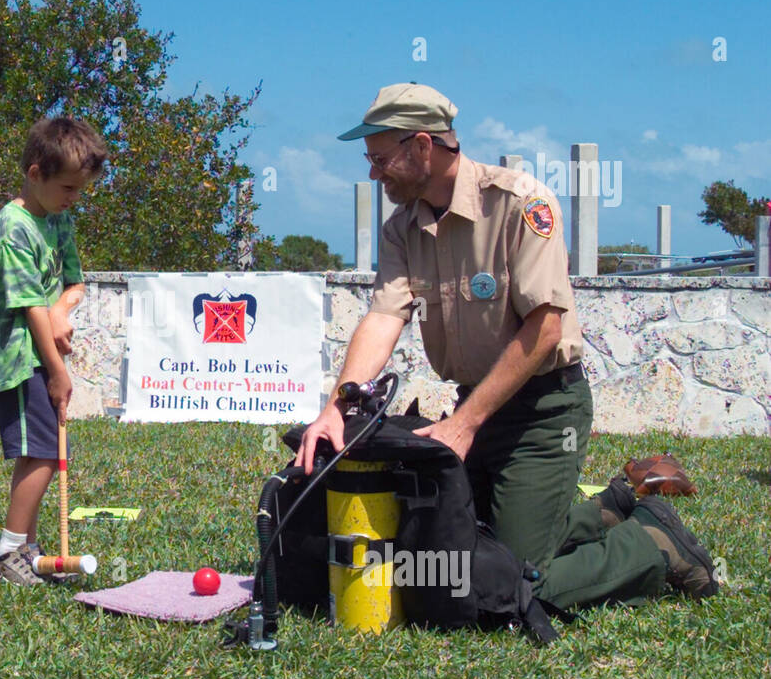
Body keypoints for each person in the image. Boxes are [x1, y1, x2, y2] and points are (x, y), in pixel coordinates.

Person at [295, 83, 718, 612]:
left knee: (508, 585)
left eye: (381, 160)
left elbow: (543, 329)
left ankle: (654, 543)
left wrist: (462, 426)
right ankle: (611, 505)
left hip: (544, 412)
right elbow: (384, 315)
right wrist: (336, 407)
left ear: (423, 147)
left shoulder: (520, 203)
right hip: (477, 403)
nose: (374, 174)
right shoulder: (402, 228)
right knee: (441, 551)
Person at [0, 118, 107, 585]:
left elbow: (74, 282)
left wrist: (61, 311)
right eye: (68, 187)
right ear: (35, 174)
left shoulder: (59, 218)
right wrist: (56, 370)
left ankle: (27, 549)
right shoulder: (12, 226)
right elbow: (29, 304)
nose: (74, 197)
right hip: (19, 356)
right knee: (43, 455)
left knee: (37, 451)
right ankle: (6, 552)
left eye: (81, 189)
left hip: (42, 347)